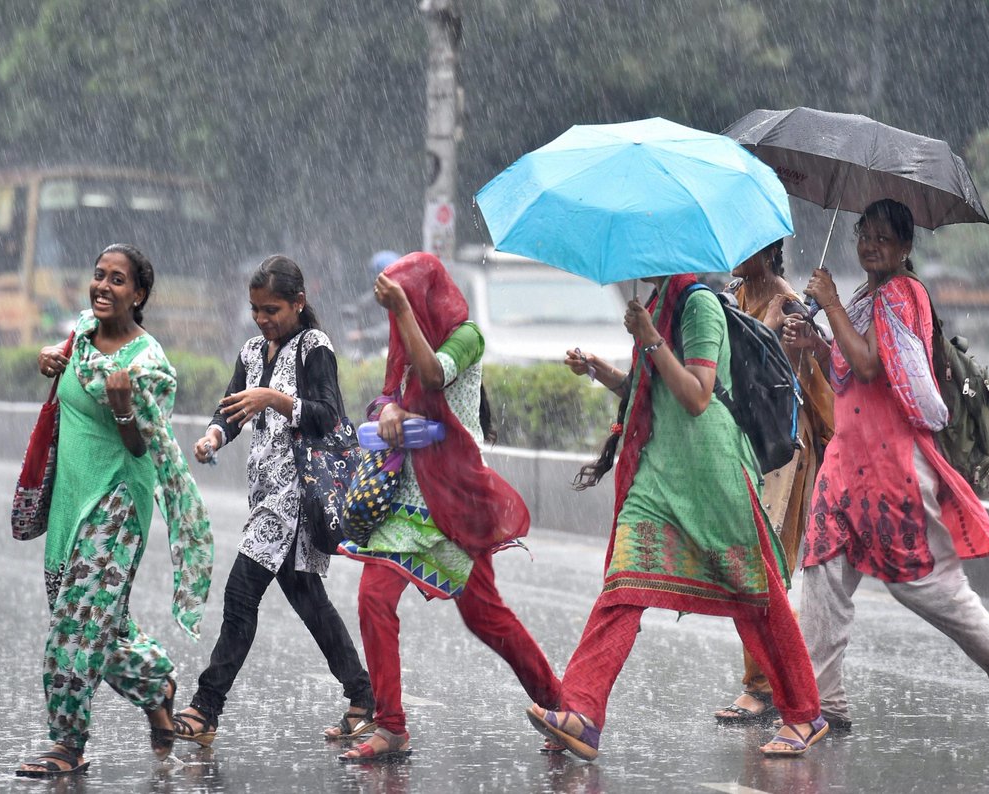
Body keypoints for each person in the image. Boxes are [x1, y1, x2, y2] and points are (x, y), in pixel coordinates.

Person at [527, 266, 827, 761]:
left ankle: (804, 713)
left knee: (756, 596)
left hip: (711, 473)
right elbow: (653, 389)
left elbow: (697, 395)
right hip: (661, 475)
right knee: (624, 586)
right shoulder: (659, 301)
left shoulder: (698, 304)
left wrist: (649, 337)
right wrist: (601, 369)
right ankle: (582, 711)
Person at [782, 198, 989, 733]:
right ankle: (824, 702)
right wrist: (817, 345)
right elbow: (846, 371)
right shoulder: (865, 297)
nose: (870, 245)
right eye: (864, 235)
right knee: (822, 570)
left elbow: (872, 366)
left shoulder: (901, 294)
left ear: (904, 247)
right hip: (847, 462)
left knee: (922, 582)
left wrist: (829, 305)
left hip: (891, 466)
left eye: (883, 238)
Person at [337, 251, 562, 762]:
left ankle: (561, 706)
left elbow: (434, 375)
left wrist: (403, 311)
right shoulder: (404, 337)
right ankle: (391, 725)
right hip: (407, 499)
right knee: (374, 596)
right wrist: (388, 409)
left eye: (409, 303)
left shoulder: (467, 335)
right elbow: (389, 393)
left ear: (427, 298)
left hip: (456, 498)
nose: (401, 317)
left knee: (485, 617)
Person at [16, 244, 214, 778]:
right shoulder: (82, 334)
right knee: (99, 622)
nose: (103, 286)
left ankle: (67, 743)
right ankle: (156, 685)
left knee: (76, 627)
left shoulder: (149, 366)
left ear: (139, 294)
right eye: (99, 275)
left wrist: (124, 408)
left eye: (118, 280)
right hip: (69, 499)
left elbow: (139, 446)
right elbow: (66, 363)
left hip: (116, 504)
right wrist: (48, 357)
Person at [173, 255, 374, 747]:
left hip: (297, 498)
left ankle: (206, 708)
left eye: (272, 310)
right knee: (311, 603)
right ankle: (364, 697)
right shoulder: (250, 351)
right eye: (256, 310)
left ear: (298, 302)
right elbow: (231, 408)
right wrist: (213, 437)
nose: (262, 319)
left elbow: (329, 415)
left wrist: (274, 399)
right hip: (265, 496)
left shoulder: (314, 346)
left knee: (240, 596)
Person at [713, 240, 835, 725]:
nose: (735, 251)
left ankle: (767, 686)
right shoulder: (734, 292)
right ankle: (779, 677)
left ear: (769, 251)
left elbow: (777, 378)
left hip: (782, 450)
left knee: (765, 566)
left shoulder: (788, 305)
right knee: (745, 563)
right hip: (745, 442)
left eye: (746, 244)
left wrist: (778, 335)